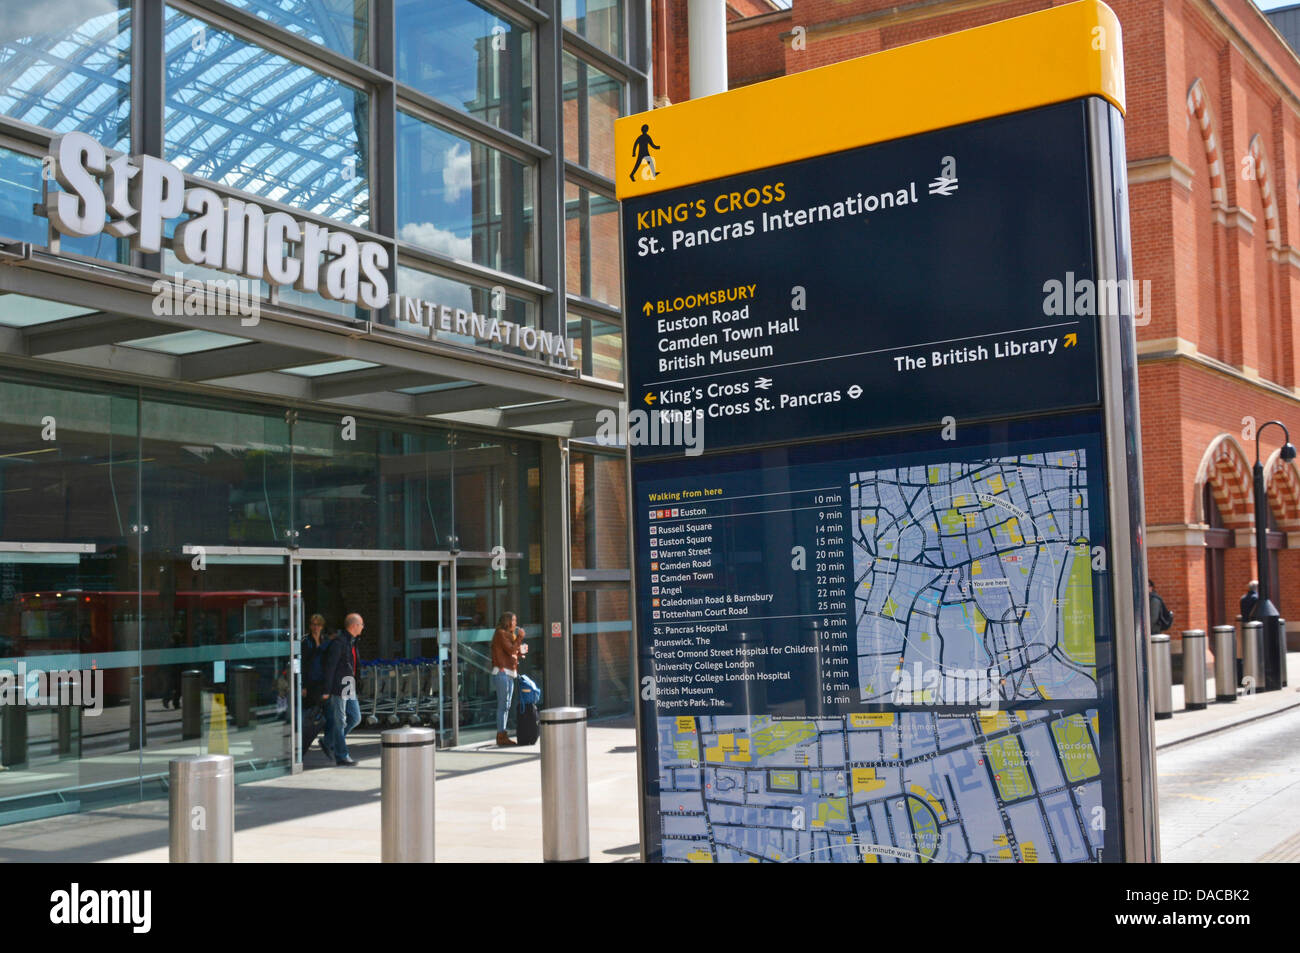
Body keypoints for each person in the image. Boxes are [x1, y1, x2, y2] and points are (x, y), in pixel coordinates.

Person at [322, 614, 363, 766]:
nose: (362, 627)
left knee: (355, 718)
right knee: (341, 720)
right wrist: (327, 689)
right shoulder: (339, 643)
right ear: (354, 625)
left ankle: (330, 741)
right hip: (339, 686)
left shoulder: (353, 642)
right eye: (361, 624)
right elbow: (330, 667)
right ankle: (342, 755)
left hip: (349, 684)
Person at [490, 612, 529, 747]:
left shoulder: (509, 635)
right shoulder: (500, 634)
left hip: (509, 673)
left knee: (506, 705)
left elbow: (513, 651)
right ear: (508, 622)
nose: (516, 623)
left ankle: (503, 734)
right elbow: (510, 649)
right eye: (514, 620)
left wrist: (521, 651)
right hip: (502, 672)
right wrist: (520, 637)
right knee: (503, 705)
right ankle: (501, 735)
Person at [301, 614, 330, 758]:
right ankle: (303, 746)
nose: (316, 627)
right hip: (310, 683)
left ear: (322, 626)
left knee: (319, 717)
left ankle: (320, 742)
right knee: (310, 717)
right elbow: (303, 665)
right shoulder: (306, 642)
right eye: (313, 624)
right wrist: (303, 685)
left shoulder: (325, 640)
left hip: (321, 682)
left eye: (318, 624)